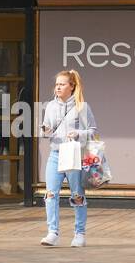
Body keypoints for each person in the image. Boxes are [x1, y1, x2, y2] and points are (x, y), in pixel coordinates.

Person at [40, 69, 97, 248]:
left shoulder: (82, 106)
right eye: (57, 84)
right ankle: (52, 232)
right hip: (55, 154)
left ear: (71, 87)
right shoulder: (50, 106)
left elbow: (92, 131)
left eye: (62, 84)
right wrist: (44, 131)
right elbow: (47, 129)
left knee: (77, 195)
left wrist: (78, 133)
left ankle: (79, 234)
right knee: (50, 193)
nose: (58, 87)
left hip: (74, 155)